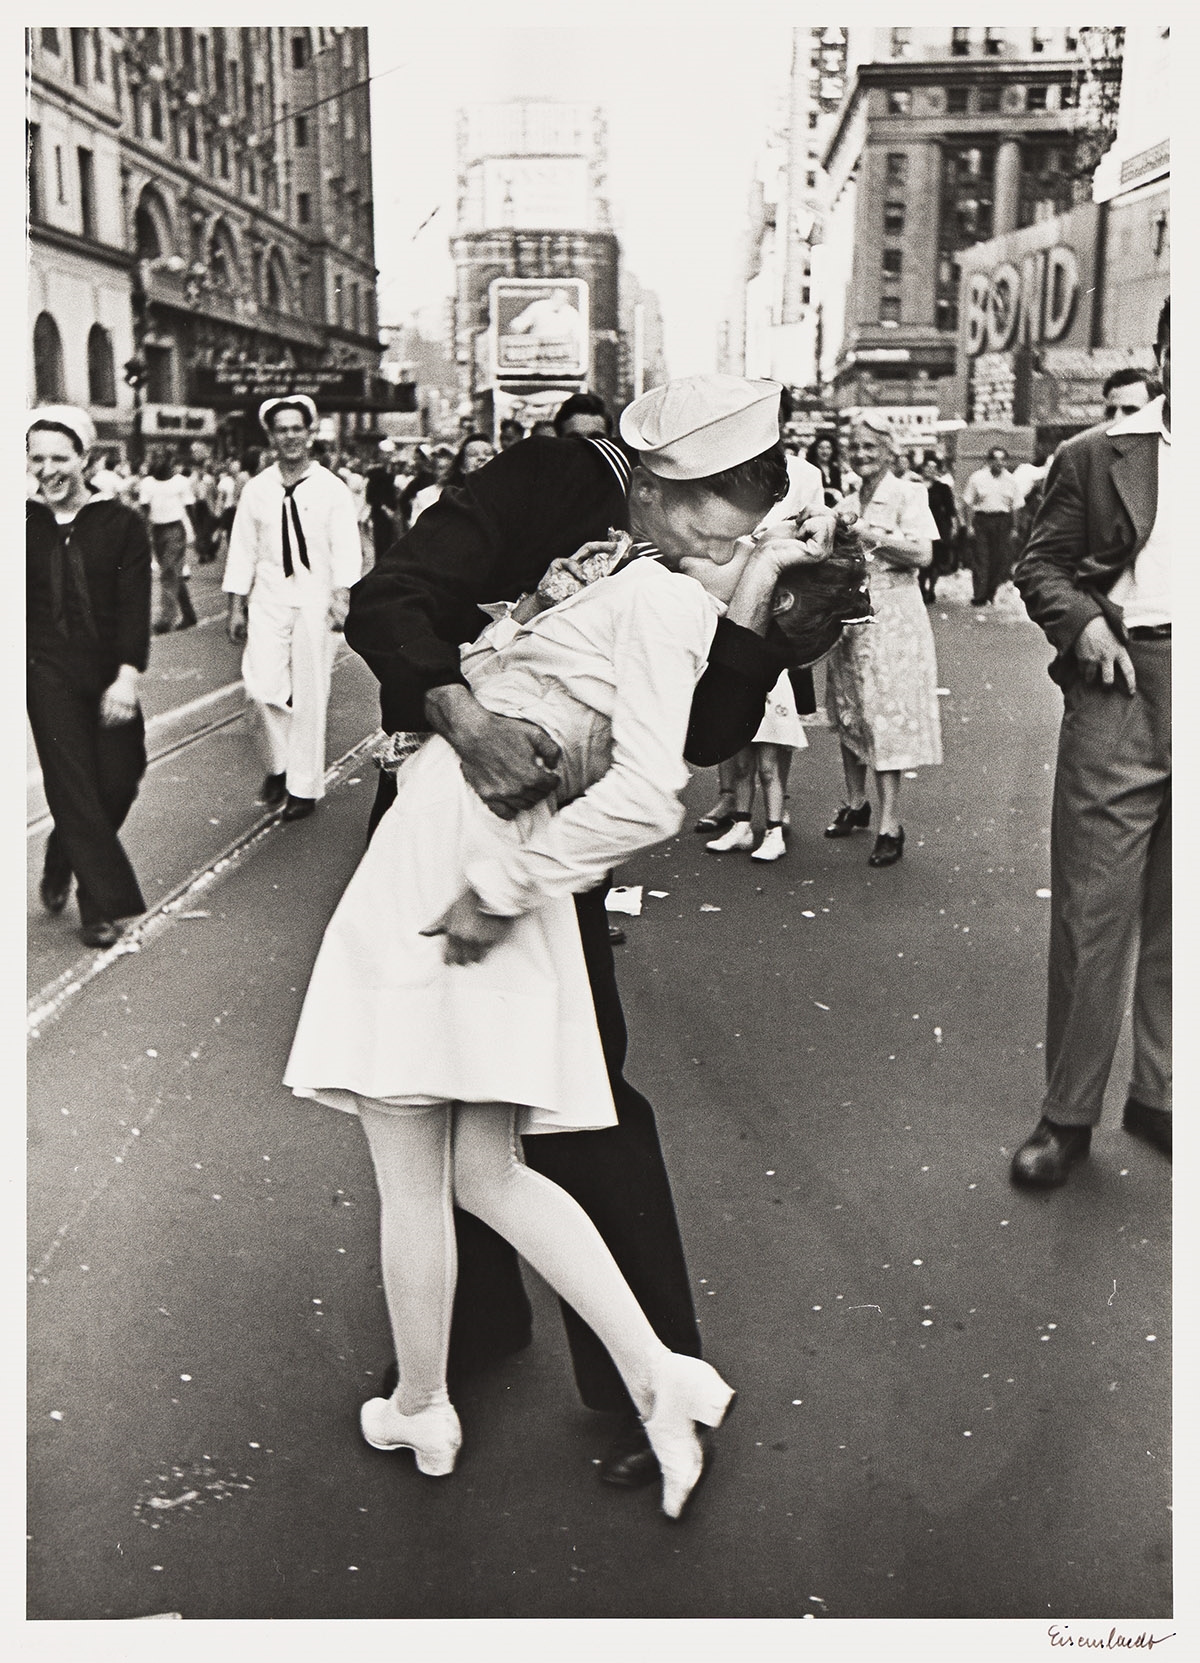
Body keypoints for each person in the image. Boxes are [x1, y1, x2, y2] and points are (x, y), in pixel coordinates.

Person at [286, 414, 865, 1515]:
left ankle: (507, 1386)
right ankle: (534, 1362)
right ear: (663, 478)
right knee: (481, 1155)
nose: (735, 538)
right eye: (730, 510)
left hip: (502, 850)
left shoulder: (685, 582)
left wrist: (757, 617)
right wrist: (467, 717)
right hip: (477, 819)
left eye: (758, 524)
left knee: (499, 1136)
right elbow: (392, 599)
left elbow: (689, 747)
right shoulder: (571, 484)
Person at [1009, 297, 1171, 1188]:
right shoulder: (1096, 455)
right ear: (1165, 353)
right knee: (1093, 914)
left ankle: (1162, 1093)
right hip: (1123, 684)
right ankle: (1066, 1116)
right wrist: (1084, 625)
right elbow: (1040, 564)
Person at [27, 406, 152, 949]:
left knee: (120, 779)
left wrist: (125, 678)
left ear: (85, 458)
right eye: (37, 458)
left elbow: (133, 604)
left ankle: (63, 852)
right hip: (43, 671)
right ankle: (99, 905)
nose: (48, 470)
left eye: (60, 457)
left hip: (106, 669)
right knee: (73, 783)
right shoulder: (19, 522)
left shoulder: (120, 524)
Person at [222, 396, 363, 821]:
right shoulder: (257, 489)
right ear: (271, 436)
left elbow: (346, 548)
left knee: (311, 695)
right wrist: (235, 607)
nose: (290, 436)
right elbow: (242, 550)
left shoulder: (331, 488)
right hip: (268, 599)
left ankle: (303, 787)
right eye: (281, 429)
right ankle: (279, 765)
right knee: (260, 689)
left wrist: (342, 598)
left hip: (316, 602)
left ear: (310, 432)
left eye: (296, 428)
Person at [822, 413, 942, 867]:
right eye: (855, 446)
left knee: (885, 714)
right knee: (850, 710)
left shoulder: (910, 494)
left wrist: (863, 533)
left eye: (870, 446)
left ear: (891, 452)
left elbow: (922, 553)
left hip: (894, 617)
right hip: (850, 618)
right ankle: (856, 803)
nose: (861, 454)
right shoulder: (846, 500)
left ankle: (891, 824)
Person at [702, 444, 825, 860]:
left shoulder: (804, 479)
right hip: (737, 643)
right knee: (739, 753)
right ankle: (739, 820)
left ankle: (774, 824)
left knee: (770, 758)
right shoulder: (724, 476)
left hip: (771, 655)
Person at [137, 449, 198, 634]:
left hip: (175, 530)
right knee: (173, 574)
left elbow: (190, 507)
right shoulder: (147, 483)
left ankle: (166, 618)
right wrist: (142, 533)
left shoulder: (181, 482)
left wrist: (195, 533)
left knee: (169, 573)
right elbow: (144, 509)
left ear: (171, 462)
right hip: (157, 530)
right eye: (156, 458)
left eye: (163, 458)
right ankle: (189, 614)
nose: (159, 462)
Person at [962, 446, 1020, 606]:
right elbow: (968, 503)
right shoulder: (977, 478)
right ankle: (979, 595)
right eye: (996, 459)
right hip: (982, 521)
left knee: (999, 559)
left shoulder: (1011, 480)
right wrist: (969, 526)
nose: (999, 463)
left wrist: (1015, 528)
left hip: (1002, 522)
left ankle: (990, 592)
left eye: (1003, 459)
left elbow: (1016, 506)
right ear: (989, 461)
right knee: (981, 558)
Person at [917, 454, 958, 605]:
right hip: (918, 526)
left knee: (935, 560)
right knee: (921, 559)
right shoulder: (915, 486)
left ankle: (932, 589)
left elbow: (950, 509)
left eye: (934, 468)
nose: (930, 470)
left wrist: (953, 527)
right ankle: (921, 587)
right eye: (928, 467)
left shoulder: (943, 488)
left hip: (937, 526)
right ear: (922, 469)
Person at [805, 434, 844, 505]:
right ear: (815, 450)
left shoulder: (835, 470)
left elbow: (839, 491)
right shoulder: (810, 468)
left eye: (828, 448)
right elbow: (808, 491)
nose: (825, 451)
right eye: (821, 448)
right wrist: (827, 490)